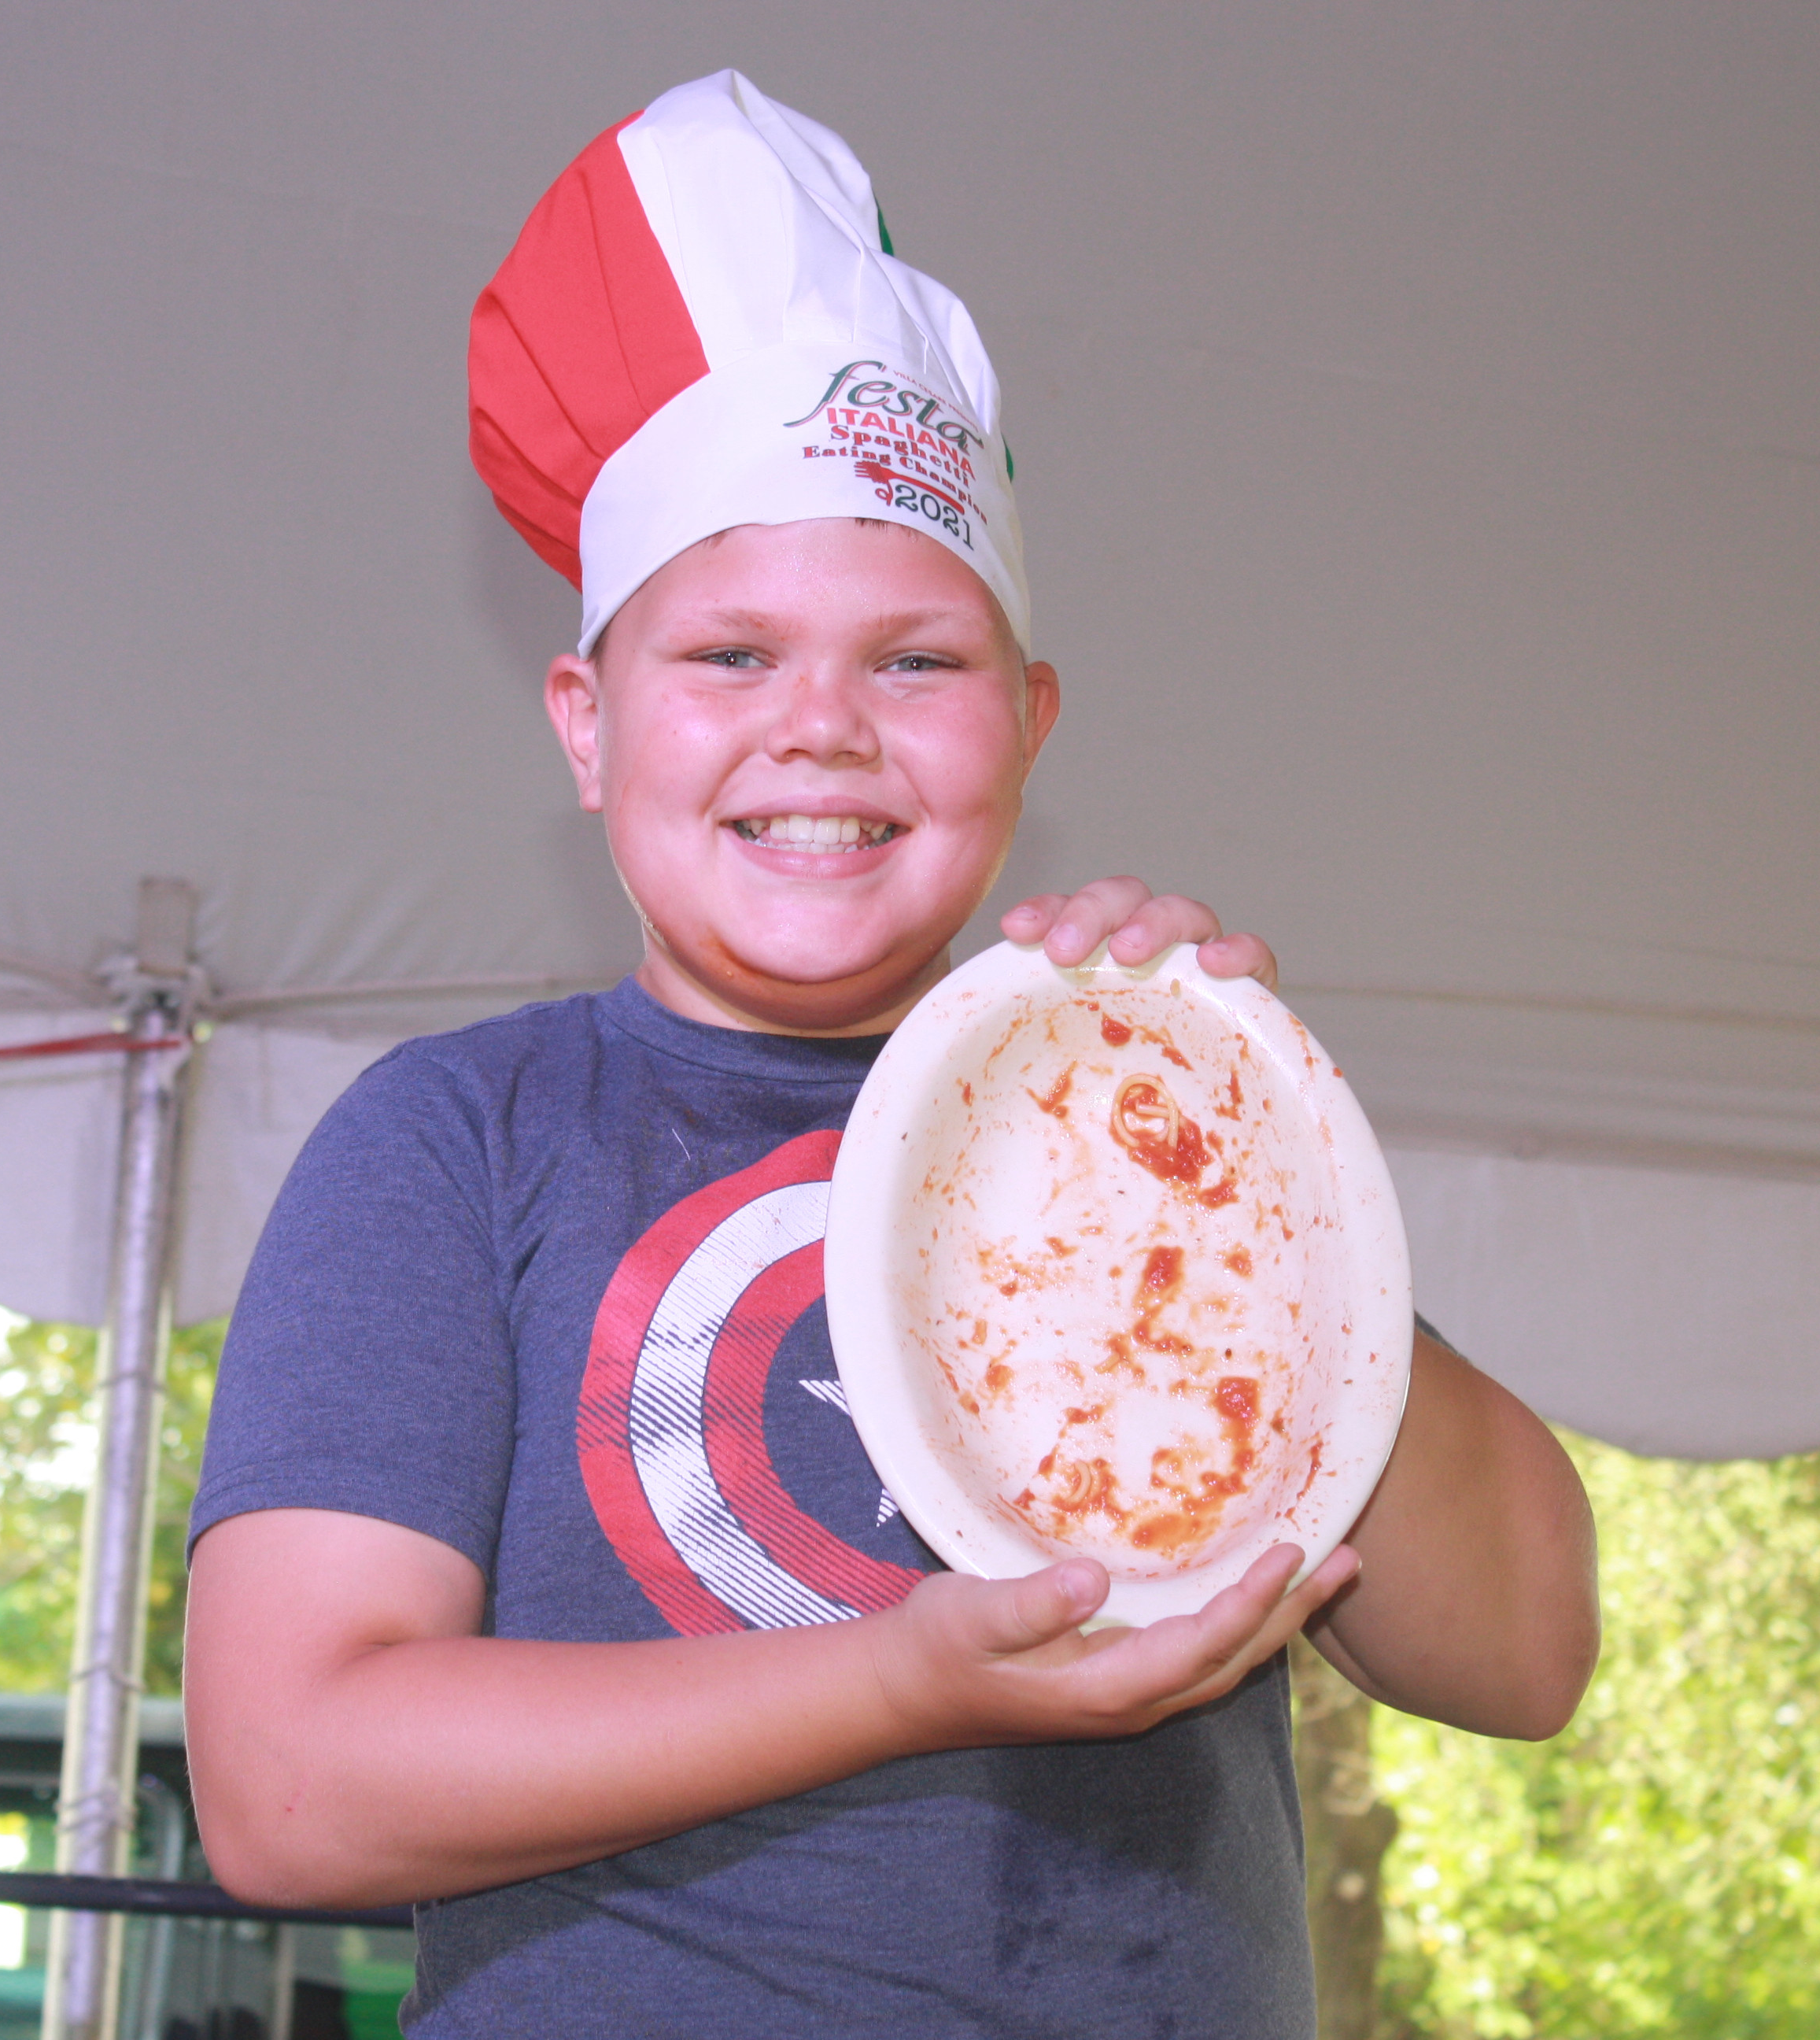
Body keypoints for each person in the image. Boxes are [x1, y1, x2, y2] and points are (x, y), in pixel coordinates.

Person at [182, 71, 1597, 2037]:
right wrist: (898, 1681)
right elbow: (287, 1786)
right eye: (730, 655)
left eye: (914, 662)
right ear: (588, 725)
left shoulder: (1132, 1137)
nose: (823, 727)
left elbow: (1525, 1649)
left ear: (1027, 725)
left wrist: (1271, 1195)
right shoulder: (463, 1141)